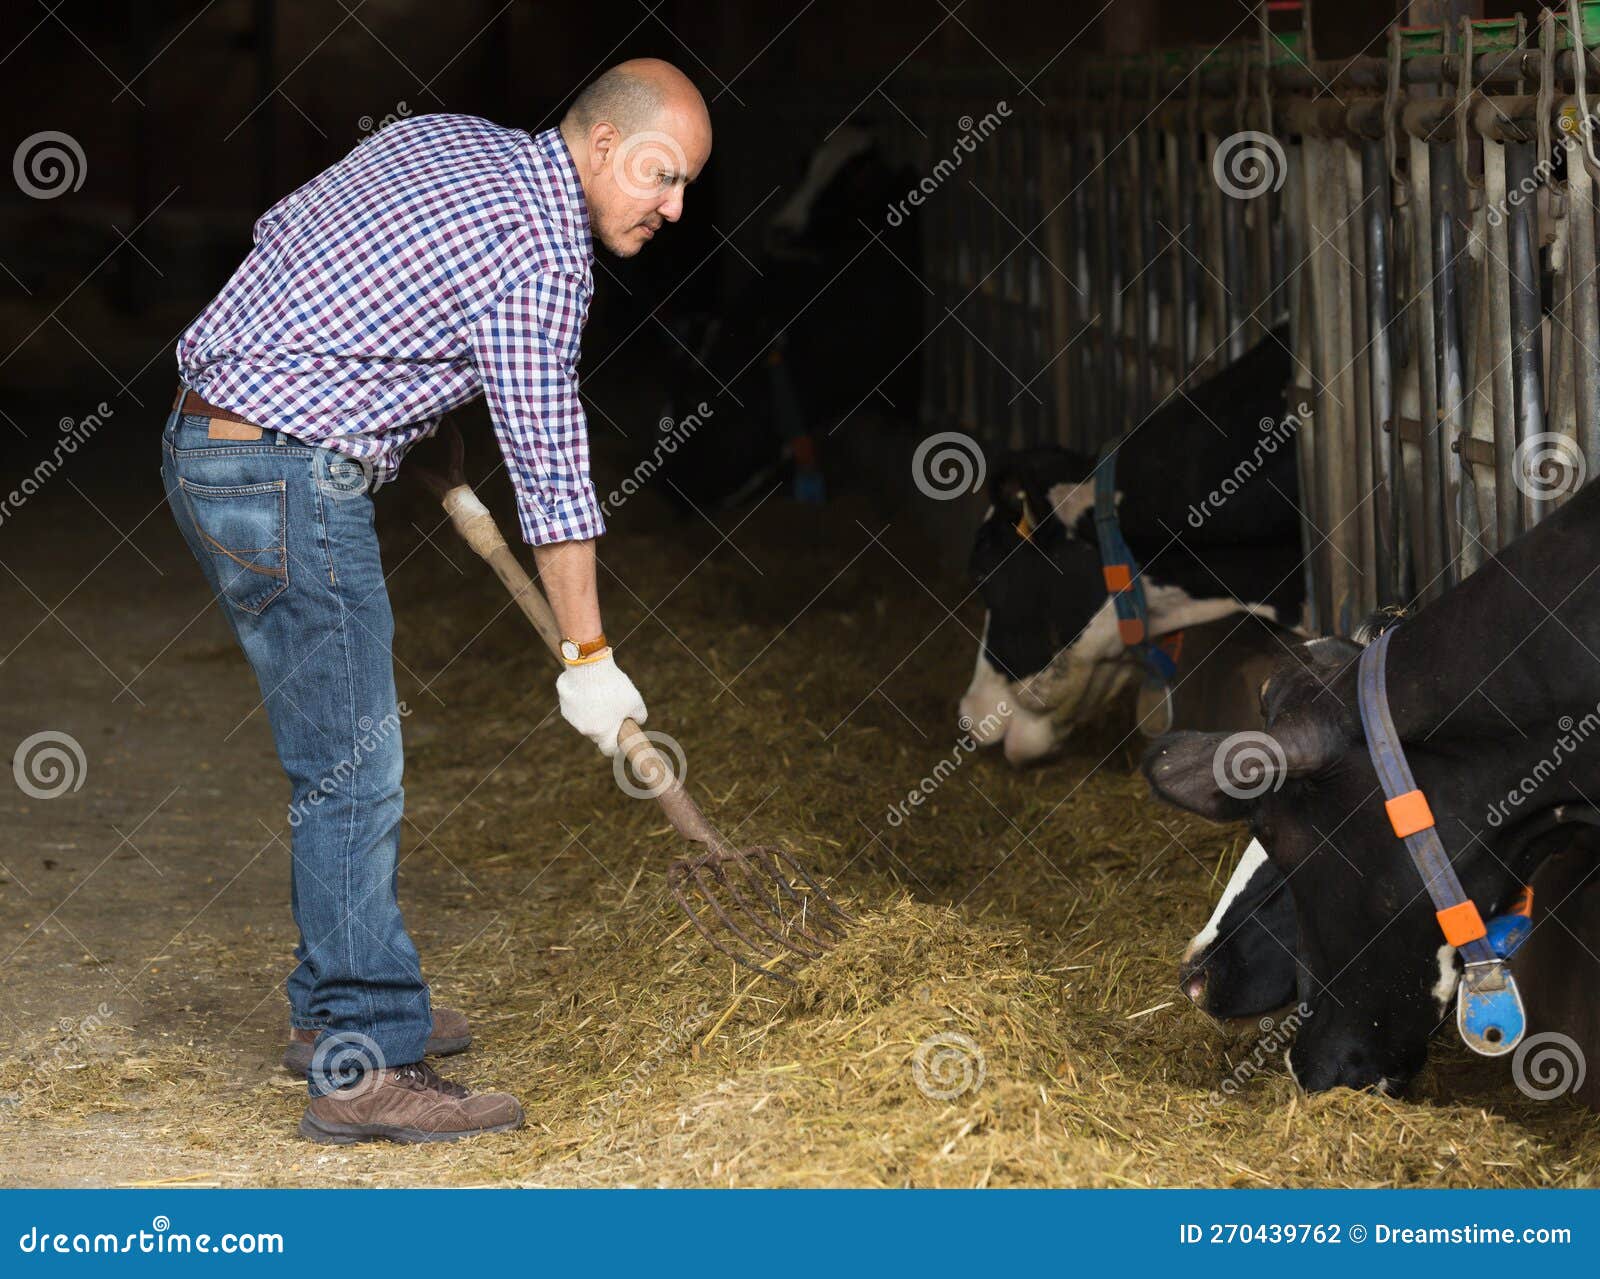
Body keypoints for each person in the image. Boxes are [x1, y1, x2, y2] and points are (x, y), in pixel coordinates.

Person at [161, 59, 712, 1144]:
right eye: (662, 175)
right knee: (354, 765)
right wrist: (589, 657)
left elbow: (295, 232)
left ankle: (333, 1013)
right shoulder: (546, 253)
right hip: (283, 469)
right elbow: (553, 479)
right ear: (602, 146)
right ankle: (363, 1060)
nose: (673, 206)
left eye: (687, 185)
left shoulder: (452, 139)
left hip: (211, 437)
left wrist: (404, 404)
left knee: (337, 753)